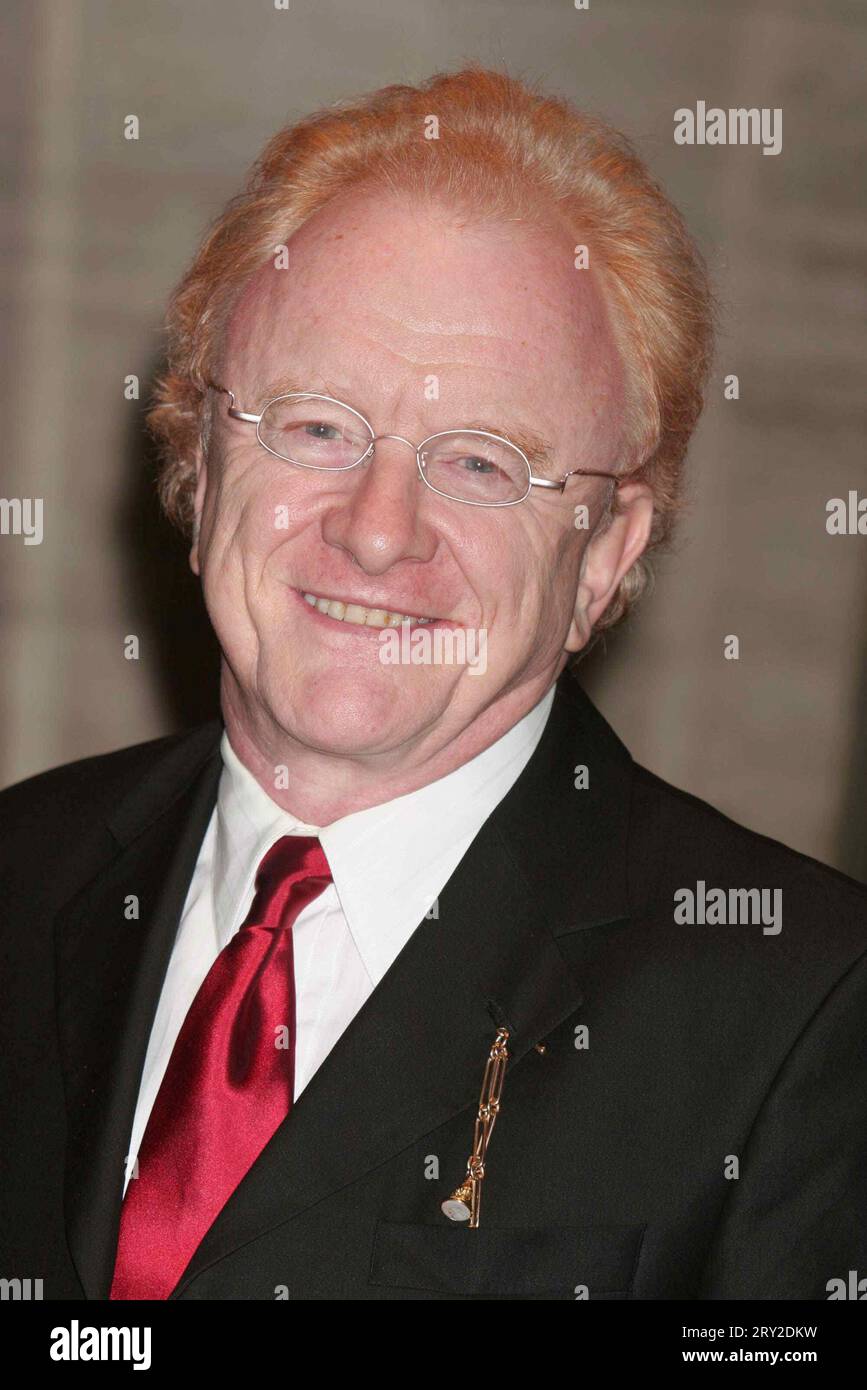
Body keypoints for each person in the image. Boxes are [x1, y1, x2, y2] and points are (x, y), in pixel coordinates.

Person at [1, 67, 864, 1302]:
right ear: (198, 460)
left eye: (482, 461)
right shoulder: (21, 867)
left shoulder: (806, 1017)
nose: (375, 529)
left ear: (606, 552)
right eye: (314, 426)